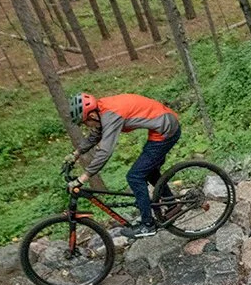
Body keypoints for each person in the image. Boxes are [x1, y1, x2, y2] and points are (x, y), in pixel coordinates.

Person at [66, 92, 181, 239]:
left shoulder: (111, 115)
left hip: (166, 129)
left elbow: (105, 152)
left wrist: (83, 177)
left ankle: (147, 225)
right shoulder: (102, 110)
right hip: (162, 124)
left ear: (92, 116)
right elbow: (96, 134)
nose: (86, 126)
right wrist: (75, 154)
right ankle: (172, 204)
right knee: (148, 171)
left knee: (135, 176)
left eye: (84, 123)